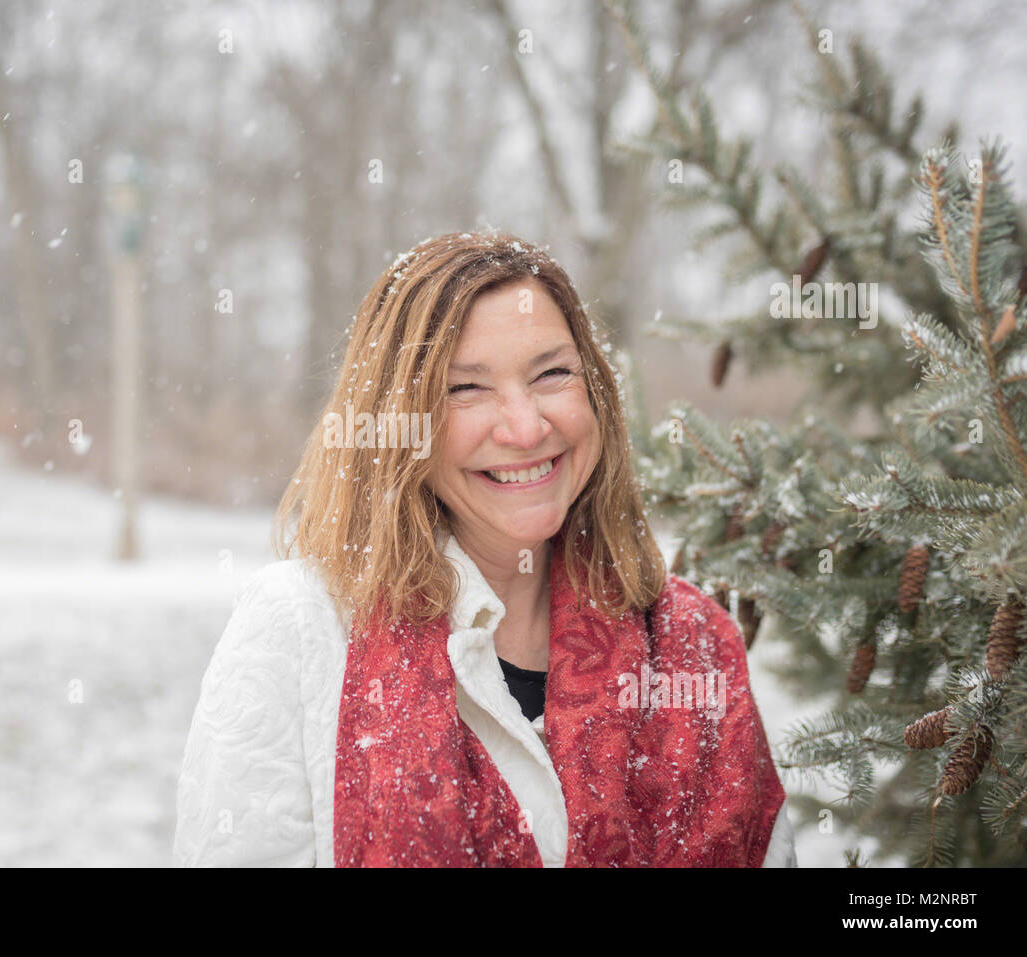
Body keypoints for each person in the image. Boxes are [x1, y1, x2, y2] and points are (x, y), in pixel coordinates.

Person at [174, 230, 797, 867]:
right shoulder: (301, 629)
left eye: (552, 373)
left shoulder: (695, 642)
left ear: (597, 393)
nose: (526, 427)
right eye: (466, 388)